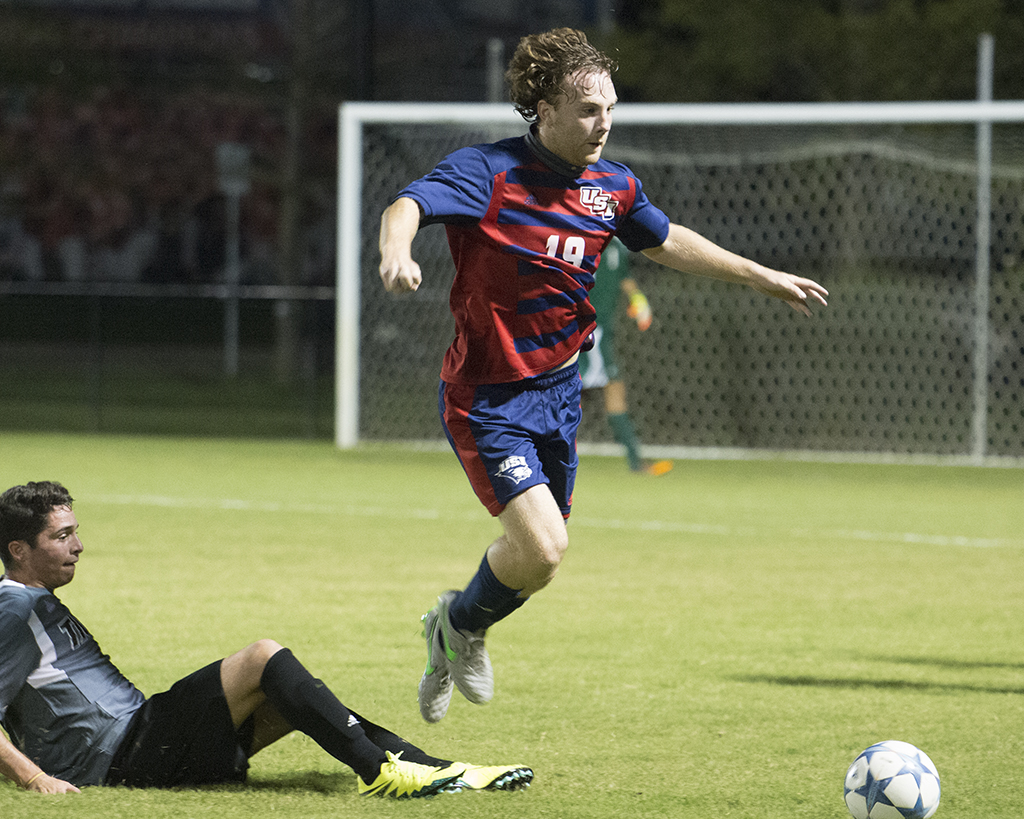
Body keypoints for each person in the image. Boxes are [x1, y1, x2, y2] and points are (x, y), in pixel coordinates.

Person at [377, 27, 828, 724]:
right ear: (543, 109)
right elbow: (405, 204)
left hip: (558, 393)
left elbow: (668, 238)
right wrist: (395, 253)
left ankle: (456, 624)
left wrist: (758, 274)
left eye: (610, 108)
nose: (604, 123)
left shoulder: (612, 186)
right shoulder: (488, 172)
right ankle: (460, 626)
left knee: (543, 561)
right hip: (488, 400)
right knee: (545, 544)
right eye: (588, 110)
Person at [0, 481, 533, 797]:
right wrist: (34, 780)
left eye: (75, 531)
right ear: (19, 549)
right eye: (62, 536)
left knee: (294, 699)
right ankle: (382, 774)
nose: (79, 545)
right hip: (122, 753)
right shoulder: (14, 606)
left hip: (143, 743)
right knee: (263, 659)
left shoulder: (28, 599)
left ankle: (441, 770)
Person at [578, 236, 673, 475]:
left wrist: (640, 303)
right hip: (590, 334)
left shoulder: (618, 247)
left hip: (602, 335)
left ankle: (635, 462)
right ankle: (635, 462)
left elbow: (625, 280)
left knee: (597, 395)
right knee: (571, 397)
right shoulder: (588, 242)